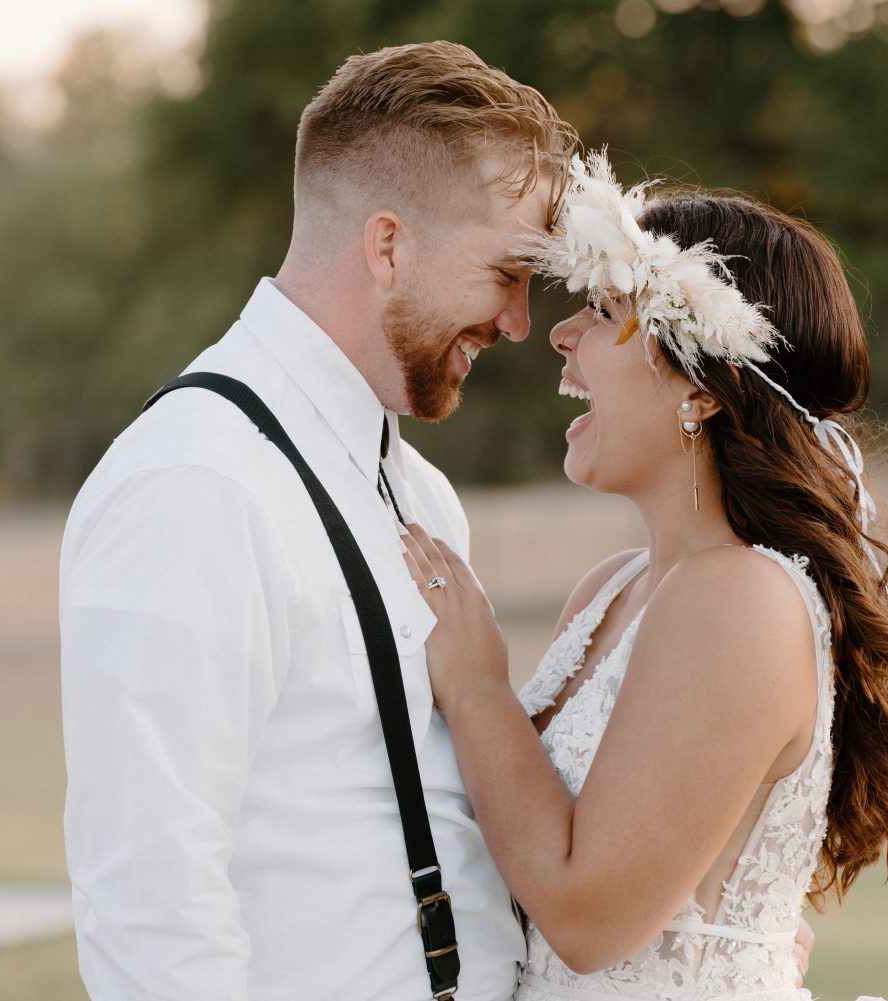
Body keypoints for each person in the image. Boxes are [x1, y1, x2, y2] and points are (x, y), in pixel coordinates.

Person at [59, 41, 576, 1001]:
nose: (517, 322)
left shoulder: (421, 495)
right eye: (507, 272)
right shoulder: (194, 483)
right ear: (388, 246)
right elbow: (150, 895)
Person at [400, 154, 888, 1000]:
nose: (561, 334)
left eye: (604, 309)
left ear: (703, 387)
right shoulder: (611, 591)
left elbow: (585, 919)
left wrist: (476, 687)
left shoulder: (741, 601)